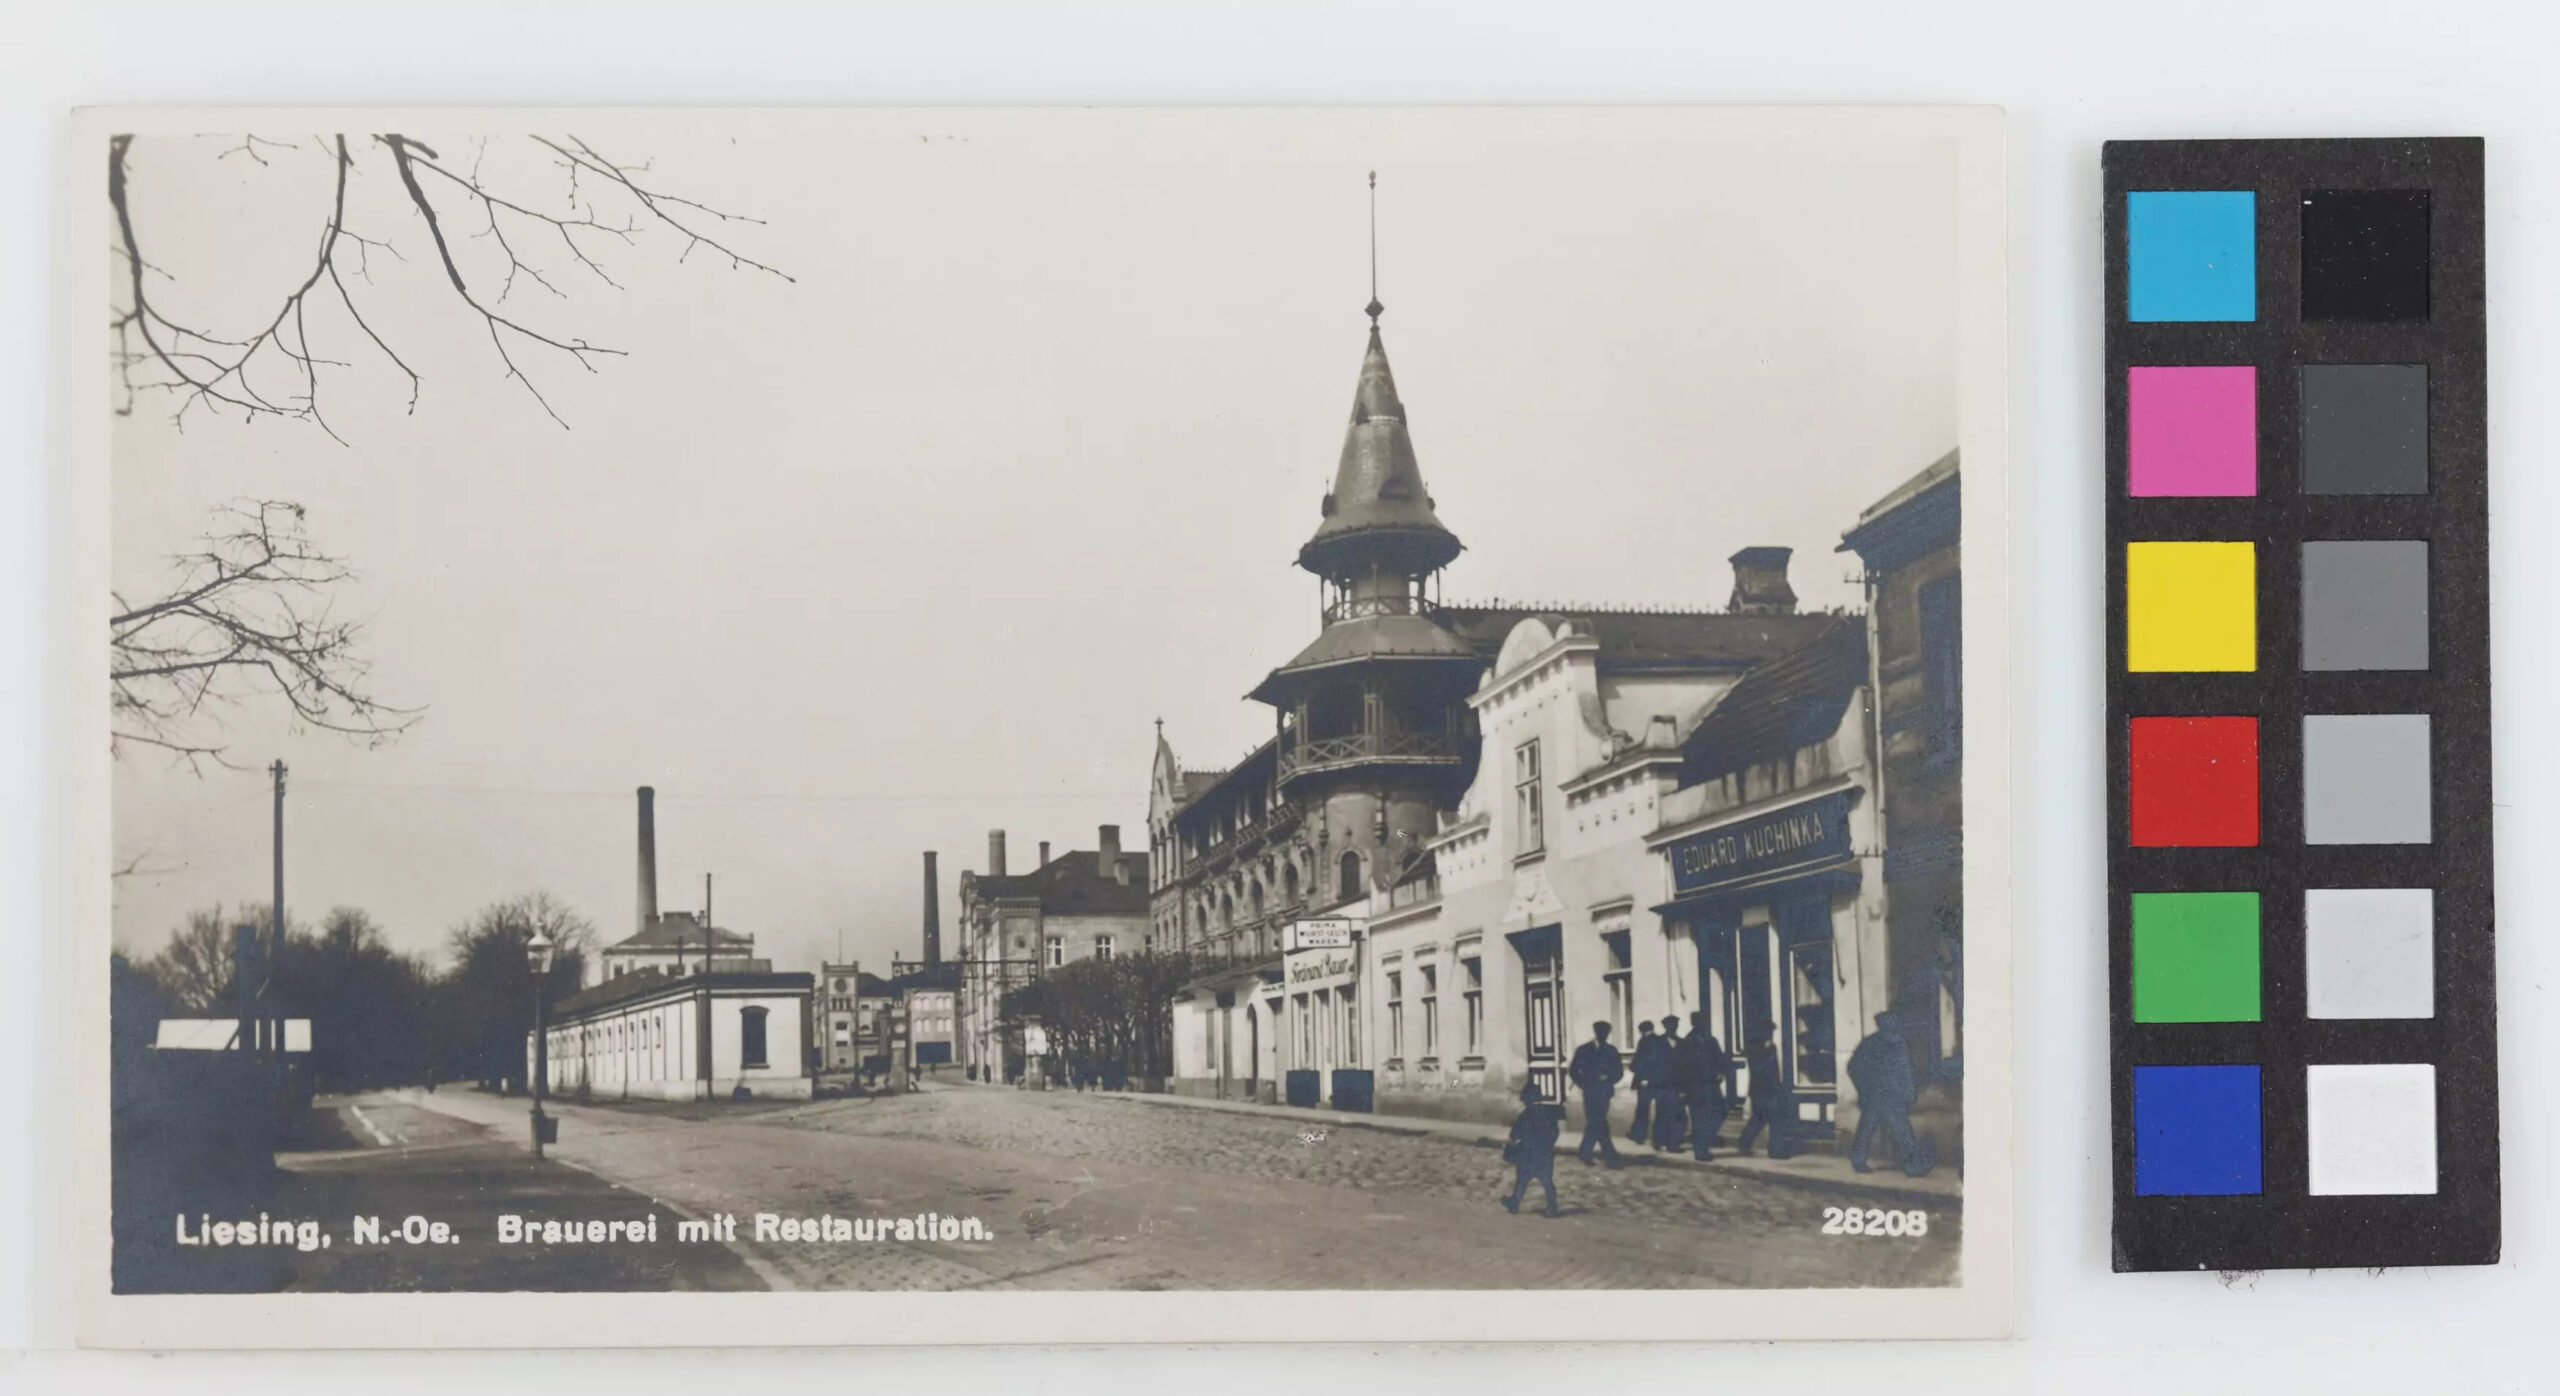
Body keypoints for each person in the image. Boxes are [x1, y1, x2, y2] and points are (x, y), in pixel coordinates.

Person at [1847, 1011, 1936, 1176]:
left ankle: (1860, 1161)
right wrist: (1865, 1088)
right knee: (1894, 1131)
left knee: (1884, 1130)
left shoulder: (1875, 1043)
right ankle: (1910, 1165)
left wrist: (1864, 1088)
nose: (1892, 1027)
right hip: (1883, 1096)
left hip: (1883, 1096)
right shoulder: (1891, 1044)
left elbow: (1854, 1067)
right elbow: (1854, 1067)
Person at [1501, 1081, 1564, 1217]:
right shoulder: (1549, 1114)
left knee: (1522, 1180)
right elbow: (1555, 1132)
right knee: (1547, 1181)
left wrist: (1509, 1146)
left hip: (1527, 1153)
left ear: (1526, 1099)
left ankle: (1514, 1203)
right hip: (1545, 1153)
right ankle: (1552, 1207)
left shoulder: (1526, 1115)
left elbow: (1514, 1135)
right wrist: (1548, 1144)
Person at [1566, 1021, 1625, 1168]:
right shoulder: (1584, 1050)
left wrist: (1609, 1078)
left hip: (1605, 1092)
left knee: (1596, 1121)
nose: (1604, 1035)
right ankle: (1610, 1155)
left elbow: (1619, 1072)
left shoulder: (1612, 1051)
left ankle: (1586, 1151)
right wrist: (1584, 1083)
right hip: (1590, 1091)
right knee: (1598, 1121)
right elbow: (1573, 1070)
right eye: (1601, 1032)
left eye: (1606, 1033)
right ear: (1596, 1032)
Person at [1737, 1028, 1800, 1159]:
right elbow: (1758, 1069)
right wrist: (1768, 1052)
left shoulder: (1768, 1047)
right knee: (1771, 1118)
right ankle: (1774, 1150)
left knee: (1761, 1119)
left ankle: (1744, 1143)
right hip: (1761, 1090)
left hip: (1768, 1090)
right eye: (1768, 1031)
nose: (1770, 1034)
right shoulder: (1756, 1048)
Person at [1679, 1010, 1730, 1161]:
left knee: (1721, 1111)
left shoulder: (1710, 1040)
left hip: (1712, 1085)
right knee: (1699, 1118)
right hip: (1695, 1087)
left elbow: (1720, 1059)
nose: (1703, 1024)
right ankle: (1700, 1151)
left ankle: (1706, 1140)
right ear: (1694, 1023)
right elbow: (1682, 1068)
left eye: (1705, 1021)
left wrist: (1721, 1072)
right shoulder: (1687, 1042)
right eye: (1700, 1021)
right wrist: (1683, 1090)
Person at [1650, 1017, 1691, 1153]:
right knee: (1662, 1113)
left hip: (1677, 1086)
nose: (1673, 1028)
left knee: (1678, 1114)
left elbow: (1687, 1067)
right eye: (1670, 1026)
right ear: (1665, 1027)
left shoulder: (1683, 1043)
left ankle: (1673, 1144)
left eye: (1675, 1026)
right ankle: (1658, 1140)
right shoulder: (1656, 1043)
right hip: (1661, 1086)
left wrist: (1685, 1087)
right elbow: (1652, 1065)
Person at [1626, 1020, 1665, 1145]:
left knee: (1642, 1109)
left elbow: (1644, 1060)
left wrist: (1642, 1076)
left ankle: (1638, 1135)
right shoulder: (1660, 1040)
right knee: (1660, 1110)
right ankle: (1657, 1138)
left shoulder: (1644, 1041)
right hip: (1659, 1081)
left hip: (1646, 1081)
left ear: (1642, 1030)